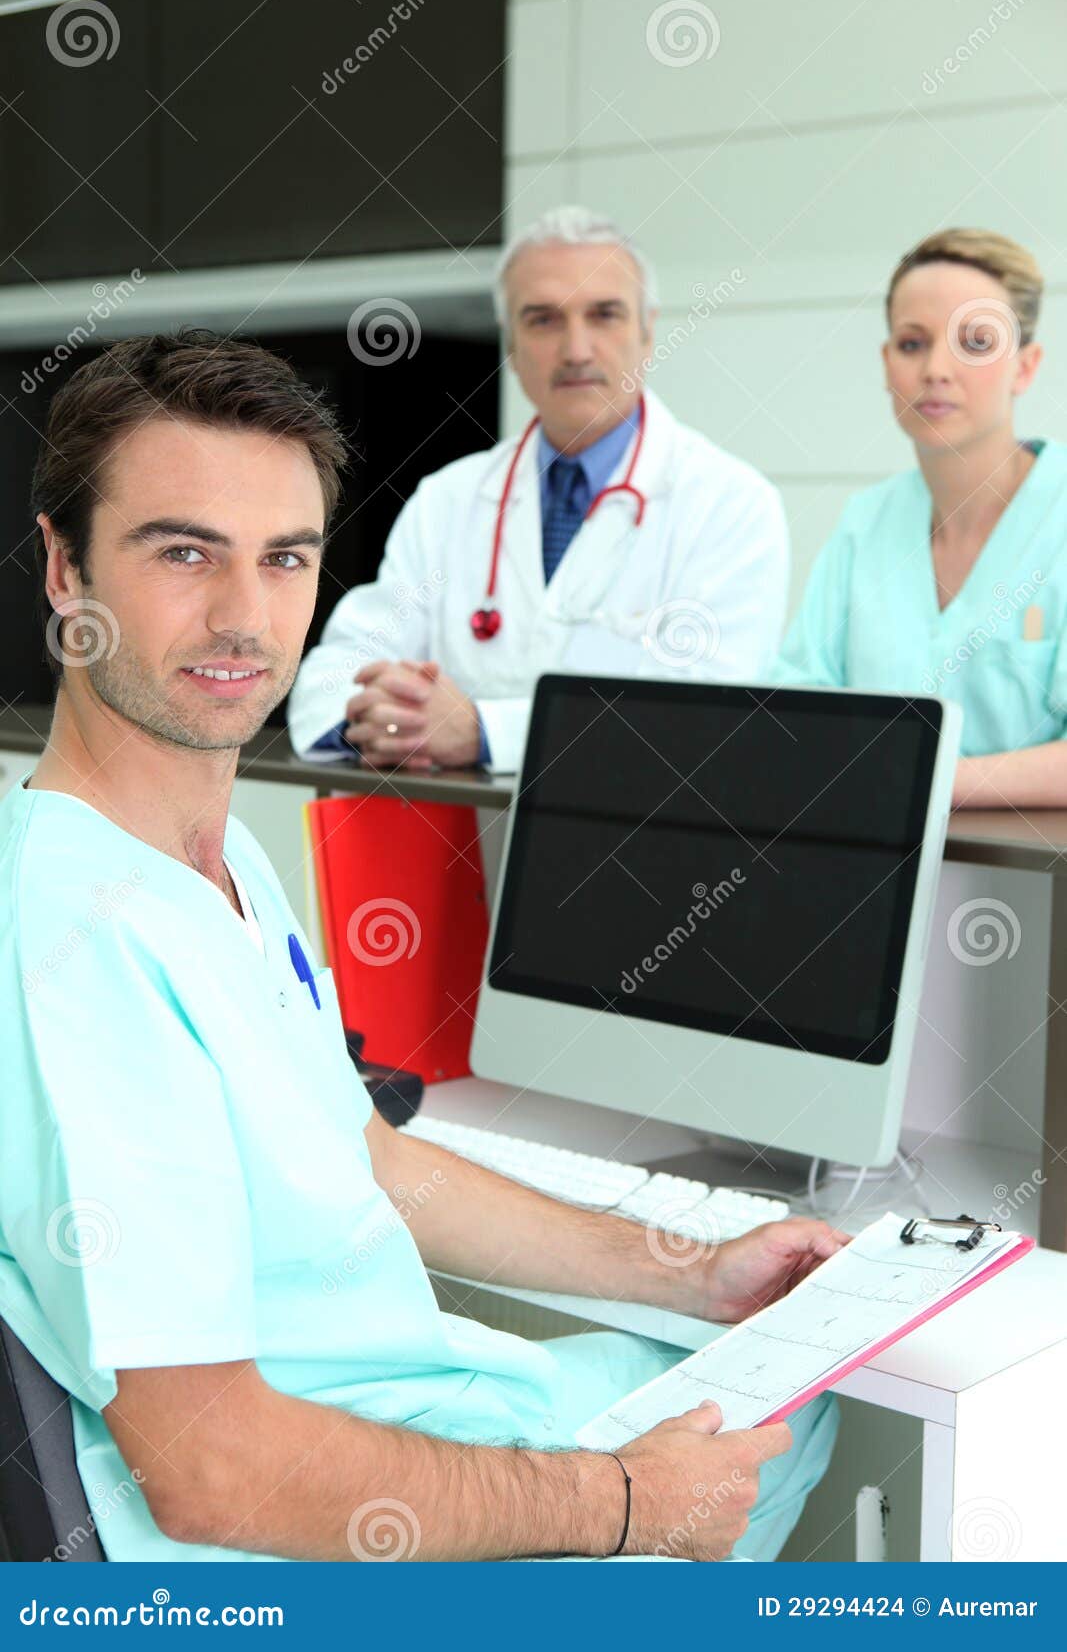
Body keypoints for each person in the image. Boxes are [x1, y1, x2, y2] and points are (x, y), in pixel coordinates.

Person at [0, 329, 840, 1564]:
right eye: (183, 552)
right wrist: (619, 1504)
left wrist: (688, 1270)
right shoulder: (73, 938)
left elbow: (368, 1162)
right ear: (65, 568)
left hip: (394, 1409)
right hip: (263, 1552)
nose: (244, 616)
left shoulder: (222, 869)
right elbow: (209, 1469)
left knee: (780, 1383)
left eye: (283, 558)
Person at [287, 206, 789, 774]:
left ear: (648, 334)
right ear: (512, 347)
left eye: (604, 315)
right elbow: (333, 676)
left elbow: (704, 720)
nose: (576, 349)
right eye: (544, 319)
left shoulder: (731, 505)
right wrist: (390, 717)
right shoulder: (449, 499)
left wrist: (484, 733)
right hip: (461, 848)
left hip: (645, 850)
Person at [777, 227, 1067, 808]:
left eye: (975, 342)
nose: (936, 368)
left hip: (1034, 886)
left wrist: (923, 781)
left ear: (1025, 368)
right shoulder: (867, 523)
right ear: (887, 365)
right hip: (863, 869)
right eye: (913, 344)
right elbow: (796, 713)